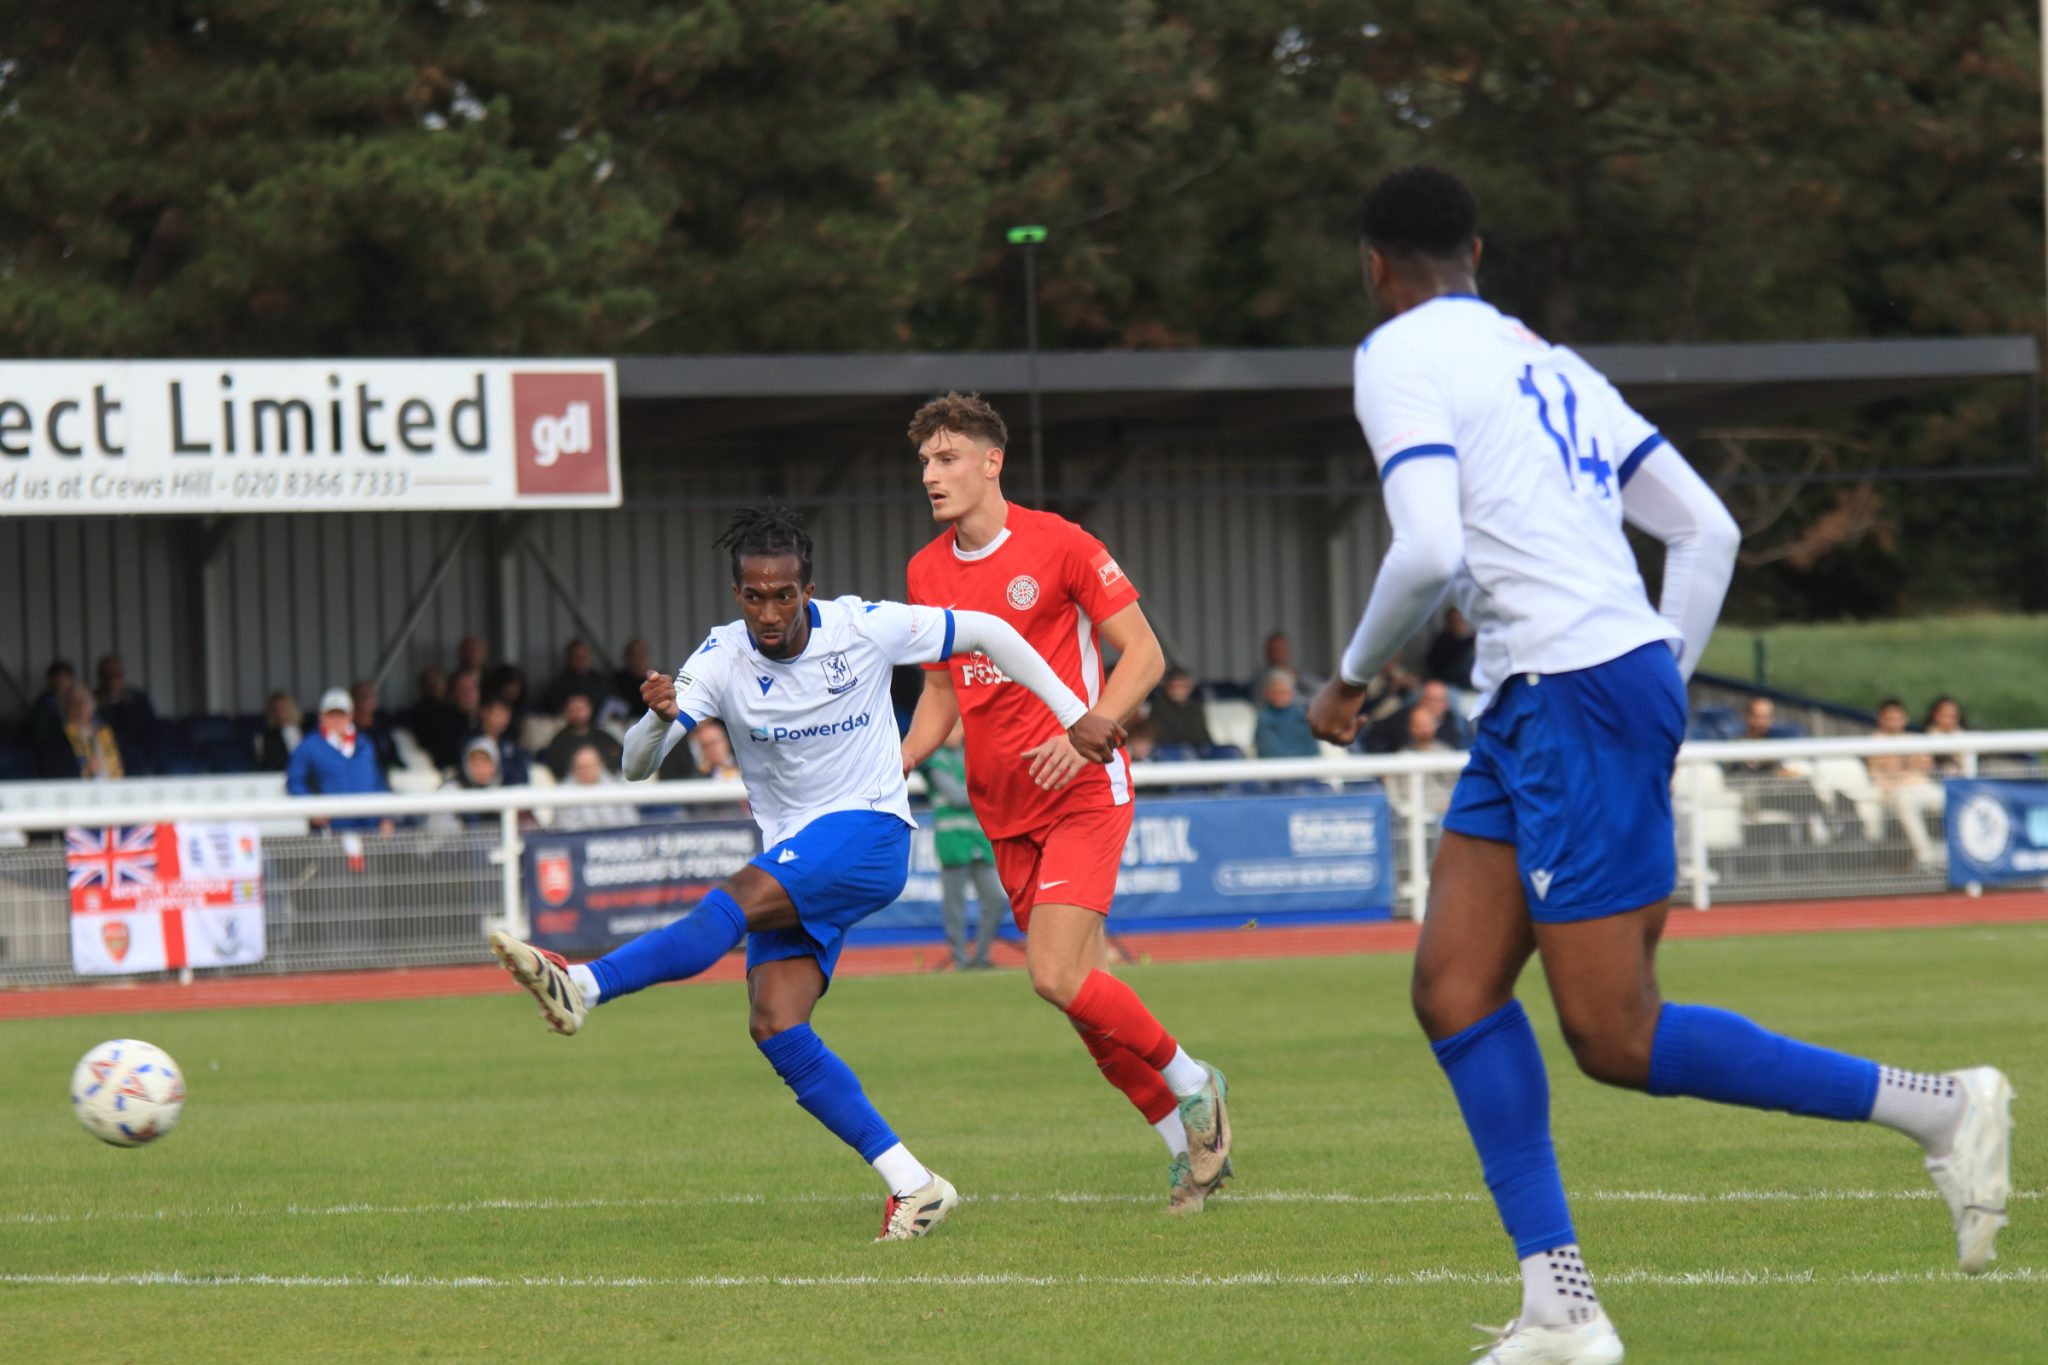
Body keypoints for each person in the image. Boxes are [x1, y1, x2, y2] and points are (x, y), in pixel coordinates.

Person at [1306, 165, 2011, 1363]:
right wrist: (1658, 675)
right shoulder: (1553, 363)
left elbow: (1422, 548)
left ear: (1372, 266)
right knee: (1452, 987)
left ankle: (1939, 1107)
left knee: (1613, 1035)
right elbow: (1706, 529)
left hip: (1570, 689)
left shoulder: (1395, 353)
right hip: (1554, 689)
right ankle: (1559, 1308)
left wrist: (1350, 676)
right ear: (1476, 250)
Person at [489, 507, 1117, 1242]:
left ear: (807, 588)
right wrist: (658, 718)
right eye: (755, 596)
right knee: (775, 1023)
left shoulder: (863, 627)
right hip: (800, 855)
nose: (769, 611)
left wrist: (1079, 712)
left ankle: (585, 986)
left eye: (783, 594)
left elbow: (991, 630)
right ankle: (915, 1184)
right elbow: (634, 763)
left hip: (871, 835)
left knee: (730, 900)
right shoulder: (721, 657)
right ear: (737, 595)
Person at [901, 391, 1234, 1216]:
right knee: (1081, 1001)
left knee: (1053, 973)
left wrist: (1092, 731)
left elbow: (1145, 655)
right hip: (1000, 806)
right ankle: (1187, 1155)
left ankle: (1198, 1084)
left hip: (1085, 787)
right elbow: (940, 698)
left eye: (946, 458)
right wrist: (889, 766)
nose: (931, 475)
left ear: (991, 460)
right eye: (924, 463)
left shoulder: (1062, 544)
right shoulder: (925, 571)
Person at [919, 721, 1007, 969]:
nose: (955, 733)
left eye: (958, 727)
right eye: (951, 727)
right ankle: (960, 960)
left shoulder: (974, 755)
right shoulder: (936, 760)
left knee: (995, 899)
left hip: (980, 840)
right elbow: (957, 797)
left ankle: (981, 956)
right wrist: (988, 788)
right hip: (953, 843)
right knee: (954, 906)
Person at [286, 688, 393, 836]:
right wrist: (312, 809)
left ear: (350, 716)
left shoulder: (364, 744)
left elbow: (379, 781)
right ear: (322, 716)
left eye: (341, 714)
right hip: (332, 828)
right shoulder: (308, 746)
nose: (336, 720)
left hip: (370, 825)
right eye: (331, 715)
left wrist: (386, 816)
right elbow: (295, 782)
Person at [1867, 698, 1945, 871]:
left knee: (1954, 798)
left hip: (1923, 788)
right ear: (1881, 719)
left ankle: (1953, 855)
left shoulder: (1916, 739)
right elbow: (1877, 775)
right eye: (1889, 718)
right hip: (1895, 793)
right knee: (1905, 800)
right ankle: (1926, 857)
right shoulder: (1873, 742)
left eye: (1897, 717)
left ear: (1905, 718)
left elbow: (1926, 765)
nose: (1894, 722)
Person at [38, 687, 125, 780]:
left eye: (84, 702)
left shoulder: (109, 732)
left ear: (93, 705)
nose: (80, 707)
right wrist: (85, 771)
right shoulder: (56, 738)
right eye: (75, 703)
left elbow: (128, 762)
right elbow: (54, 771)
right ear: (66, 707)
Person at [93, 655, 158, 775]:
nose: (111, 680)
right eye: (106, 676)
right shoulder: (91, 702)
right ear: (99, 678)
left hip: (137, 759)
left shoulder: (138, 700)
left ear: (123, 677)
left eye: (116, 675)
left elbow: (152, 732)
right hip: (104, 759)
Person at [555, 743, 640, 832]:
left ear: (600, 765)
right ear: (573, 769)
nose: (586, 771)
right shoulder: (564, 793)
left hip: (615, 841)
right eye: (581, 767)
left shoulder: (616, 788)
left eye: (589, 766)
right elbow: (566, 829)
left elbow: (631, 821)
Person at [541, 692, 623, 781]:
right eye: (573, 710)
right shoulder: (558, 742)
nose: (578, 713)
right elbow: (557, 772)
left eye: (581, 709)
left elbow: (619, 763)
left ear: (590, 709)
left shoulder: (604, 737)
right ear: (566, 712)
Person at [1252, 667, 1319, 759]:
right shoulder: (1264, 717)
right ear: (1266, 694)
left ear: (1293, 694)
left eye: (1284, 693)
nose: (1279, 697)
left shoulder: (1303, 715)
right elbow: (1268, 752)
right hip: (1276, 770)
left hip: (1305, 768)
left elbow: (1313, 749)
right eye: (1275, 693)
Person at [1146, 665, 1213, 753]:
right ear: (1167, 687)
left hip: (1198, 753)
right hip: (1172, 755)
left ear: (1190, 687)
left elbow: (1203, 736)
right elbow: (1162, 739)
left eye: (1183, 686)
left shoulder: (1196, 707)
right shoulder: (1159, 708)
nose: (1179, 691)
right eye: (1175, 686)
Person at [545, 638, 610, 716]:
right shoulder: (559, 684)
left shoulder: (601, 681)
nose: (582, 660)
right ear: (569, 658)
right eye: (577, 656)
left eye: (585, 656)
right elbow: (552, 708)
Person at [478, 696, 531, 786]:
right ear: (485, 713)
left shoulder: (509, 744)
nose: (503, 720)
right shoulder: (471, 741)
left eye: (506, 716)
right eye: (498, 715)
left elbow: (521, 774)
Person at [351, 680, 400, 778]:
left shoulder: (382, 727)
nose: (364, 700)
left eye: (368, 696)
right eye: (360, 696)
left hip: (382, 781)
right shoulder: (345, 729)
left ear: (375, 701)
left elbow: (393, 758)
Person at [1425, 605, 1477, 690]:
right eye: (1455, 621)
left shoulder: (1473, 641)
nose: (1458, 625)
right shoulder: (1442, 643)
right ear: (1448, 623)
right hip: (1448, 687)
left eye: (1460, 621)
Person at [255, 690, 305, 772]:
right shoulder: (269, 736)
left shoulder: (308, 730)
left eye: (283, 707)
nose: (281, 711)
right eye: (277, 708)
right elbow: (271, 762)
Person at [611, 637, 655, 721]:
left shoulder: (658, 679)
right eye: (634, 655)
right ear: (626, 658)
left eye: (642, 654)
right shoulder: (617, 680)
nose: (638, 660)